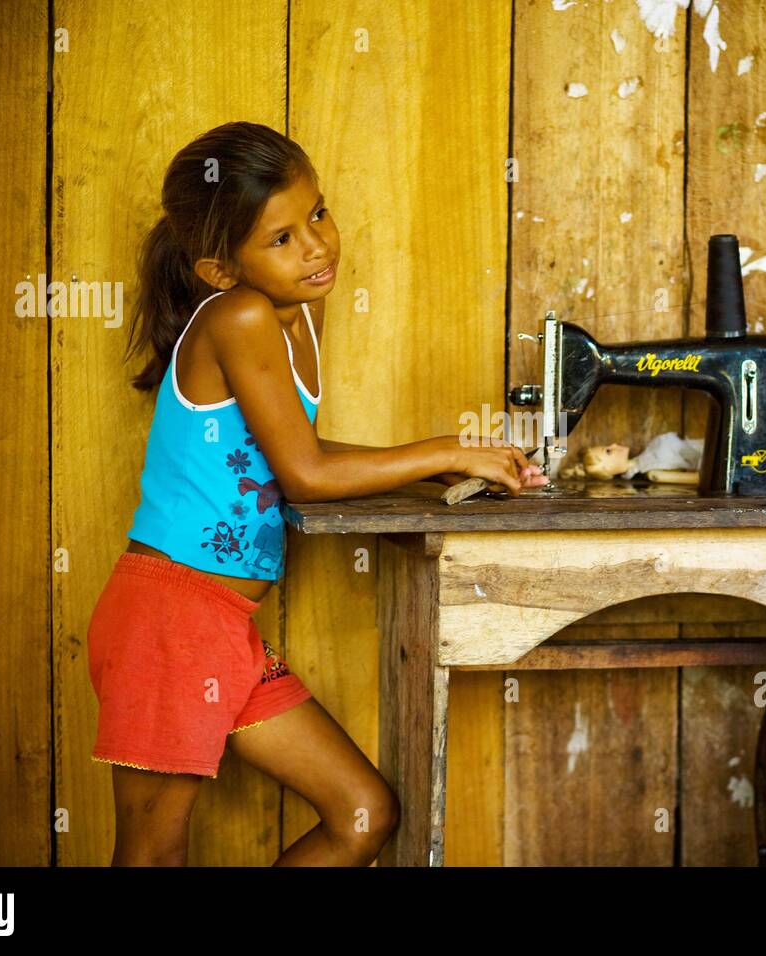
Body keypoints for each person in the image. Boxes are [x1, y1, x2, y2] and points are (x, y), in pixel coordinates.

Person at [87, 121, 546, 866]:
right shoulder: (238, 316)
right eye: (281, 238)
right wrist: (443, 446)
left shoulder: (297, 311)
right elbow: (305, 478)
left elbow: (297, 452)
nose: (316, 246)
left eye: (319, 213)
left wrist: (452, 469)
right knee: (152, 855)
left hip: (223, 625)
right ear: (219, 269)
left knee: (362, 814)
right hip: (168, 621)